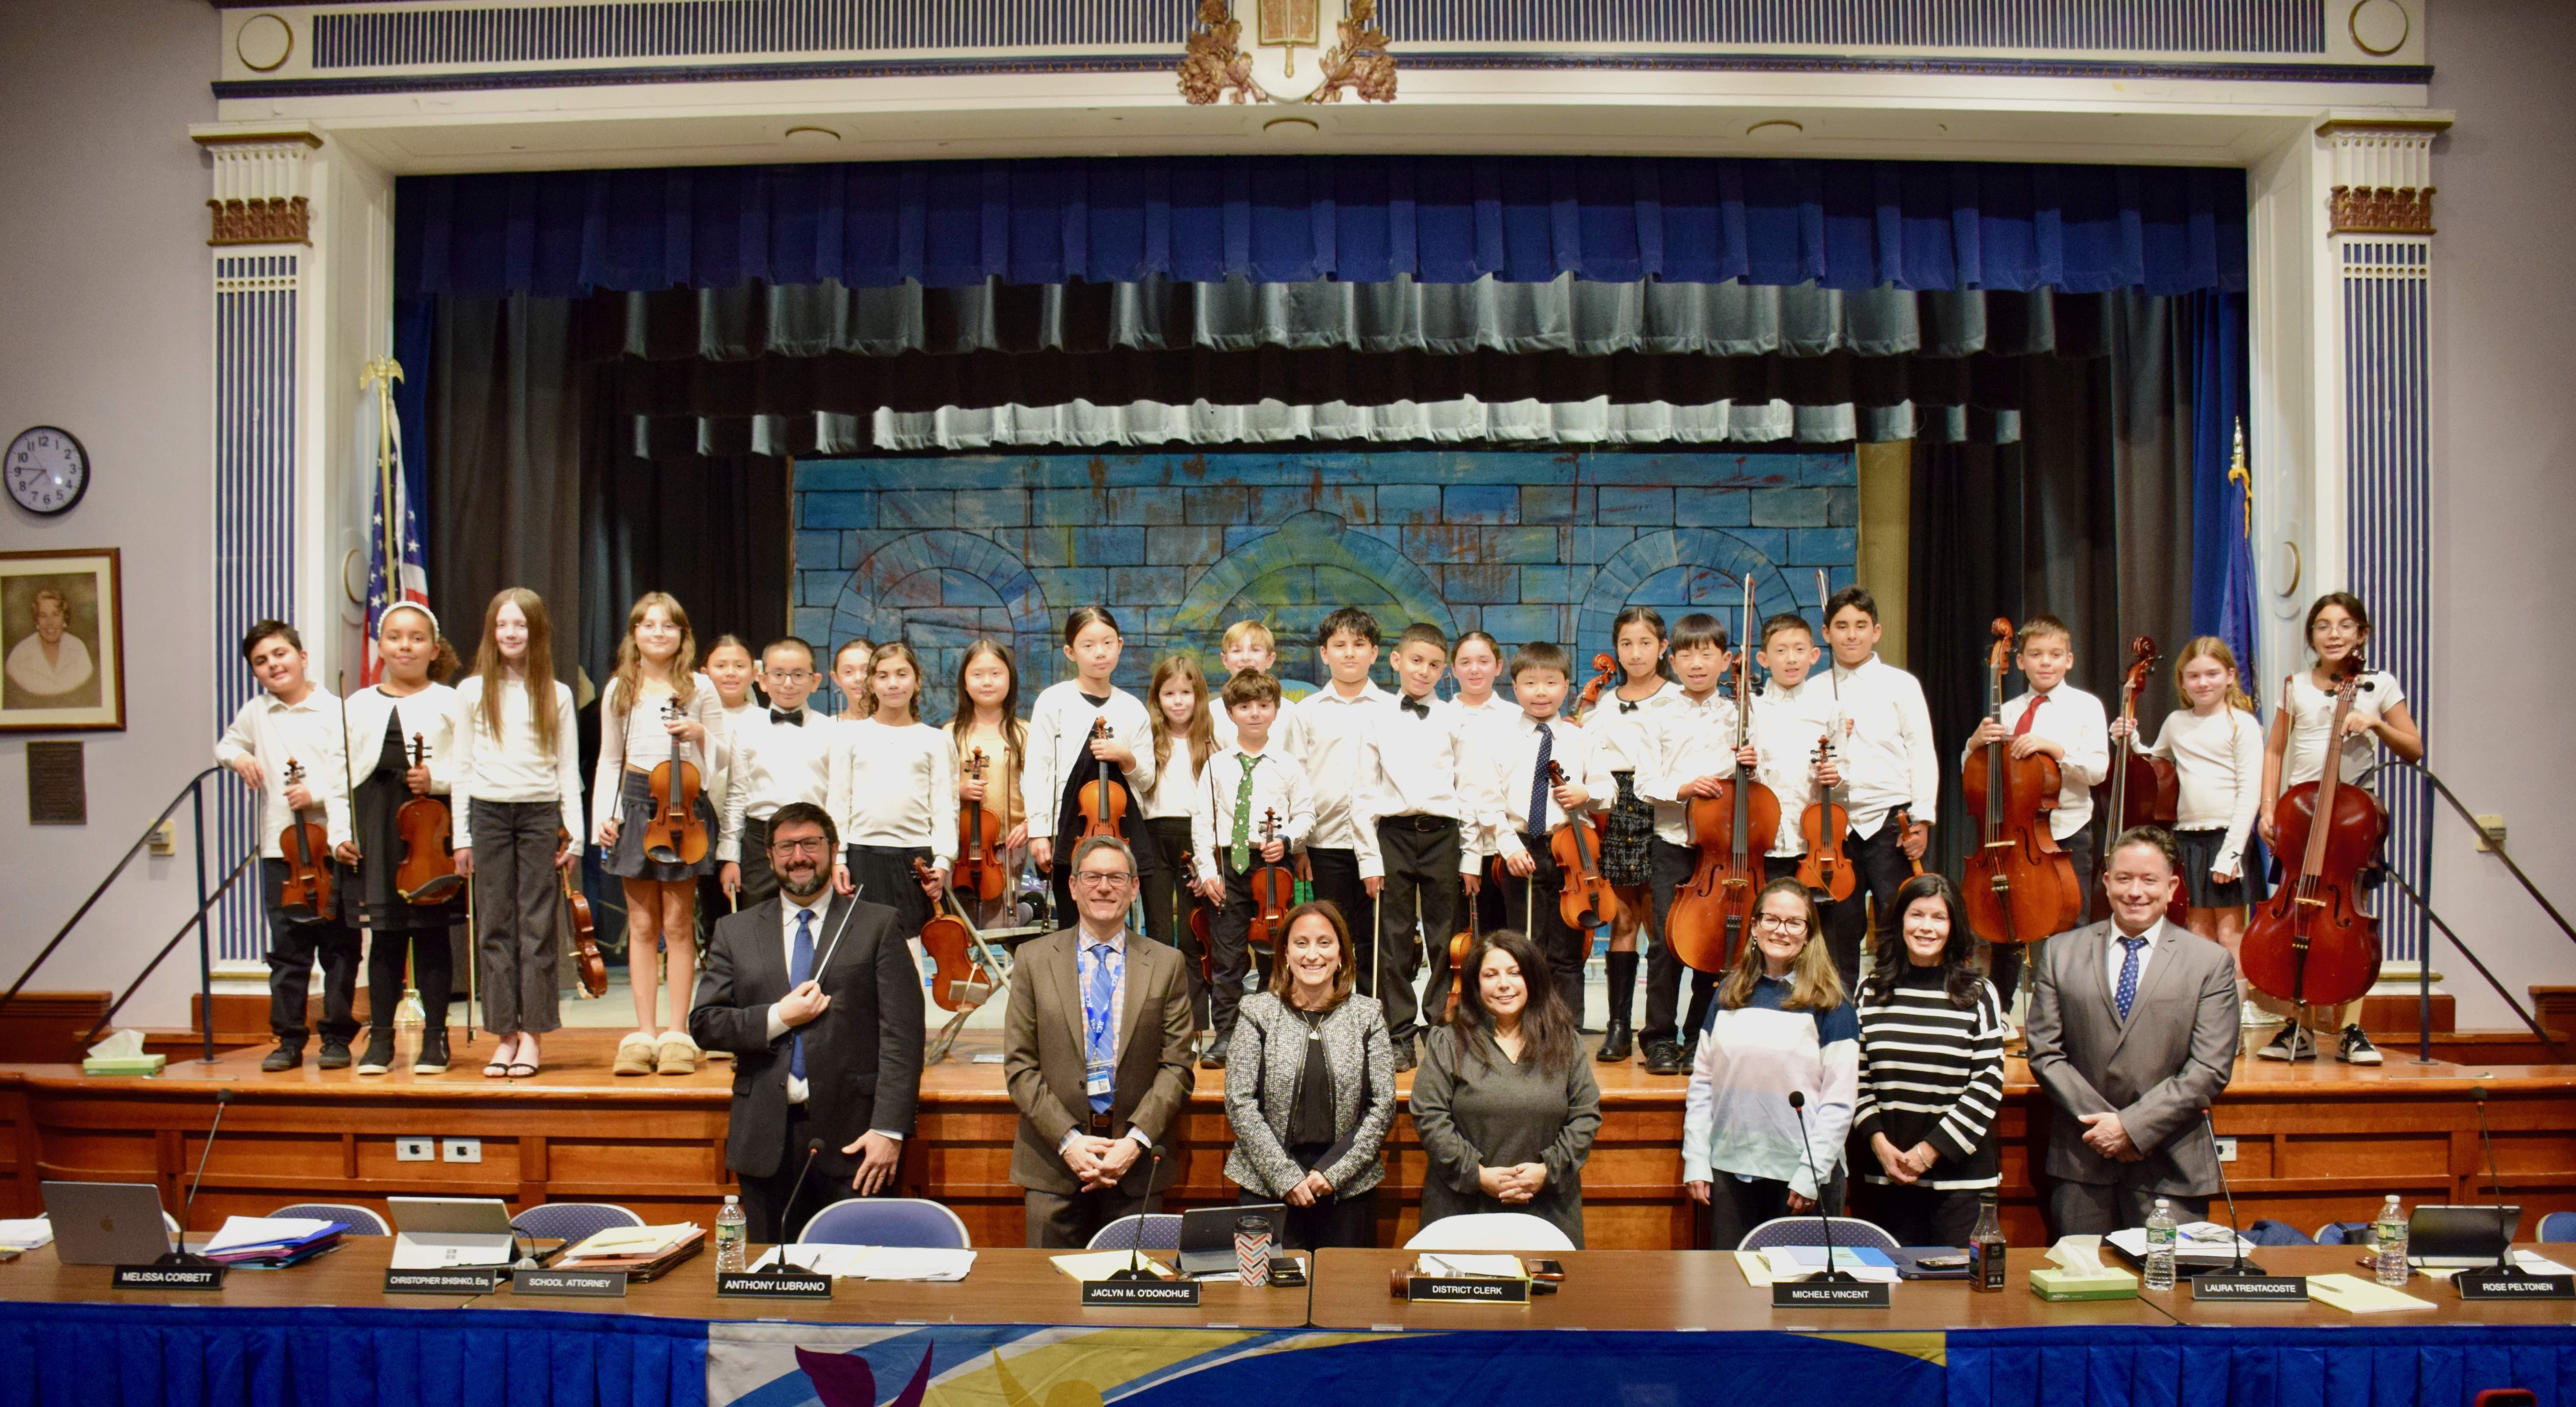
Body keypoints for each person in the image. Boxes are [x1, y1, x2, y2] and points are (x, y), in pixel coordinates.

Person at [689, 802, 923, 1242]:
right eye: (787, 846)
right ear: (770, 855)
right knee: (771, 1287)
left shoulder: (877, 924)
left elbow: (904, 1037)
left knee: (857, 1291)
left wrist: (889, 1130)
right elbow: (706, 1023)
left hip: (858, 1143)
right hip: (764, 1141)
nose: (799, 856)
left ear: (834, 850)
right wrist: (779, 1017)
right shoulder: (735, 931)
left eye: (811, 844)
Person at [2023, 826, 2240, 1235]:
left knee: (2168, 1292)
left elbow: (2210, 1067)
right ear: (2106, 882)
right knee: (2081, 1294)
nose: (2135, 891)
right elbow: (2045, 1054)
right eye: (2124, 878)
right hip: (2083, 1164)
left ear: (2173, 885)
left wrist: (2131, 1128)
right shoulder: (2060, 952)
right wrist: (2105, 1127)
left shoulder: (2210, 962)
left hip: (2172, 1166)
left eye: (2149, 880)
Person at [1002, 836, 1196, 1248]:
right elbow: (1020, 1066)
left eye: (1116, 877)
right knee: (1048, 1302)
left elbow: (1177, 1067)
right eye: (1092, 876)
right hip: (1052, 1167)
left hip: (1135, 1167)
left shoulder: (1167, 963)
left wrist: (1135, 1142)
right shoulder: (1033, 960)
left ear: (1135, 887)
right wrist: (1069, 1141)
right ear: (1072, 887)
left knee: (1132, 1307)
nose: (1104, 887)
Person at [2254, 593, 2423, 1064]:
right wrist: (2268, 810)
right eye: (2323, 626)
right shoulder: (2296, 685)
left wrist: (2374, 724)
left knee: (2348, 920)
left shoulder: (2380, 684)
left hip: (2353, 819)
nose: (2334, 634)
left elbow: (2414, 747)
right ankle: (2299, 1026)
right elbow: (2275, 750)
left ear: (2362, 634)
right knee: (2295, 919)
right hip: (2299, 815)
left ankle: (2350, 1029)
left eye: (2345, 625)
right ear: (2311, 635)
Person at [1682, 878, 1858, 1249]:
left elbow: (1840, 1102)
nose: (1781, 930)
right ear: (1754, 926)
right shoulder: (1729, 993)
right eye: (1771, 919)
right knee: (1732, 1299)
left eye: (1795, 922)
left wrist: (1812, 1174)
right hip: (1730, 1174)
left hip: (1802, 1180)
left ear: (1810, 934)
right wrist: (1697, 1158)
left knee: (1798, 1305)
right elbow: (1702, 1085)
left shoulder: (1831, 1002)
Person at [592, 592, 726, 1077]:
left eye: (668, 626)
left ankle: (678, 1032)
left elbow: (724, 755)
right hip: (633, 803)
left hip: (683, 804)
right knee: (643, 924)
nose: (657, 633)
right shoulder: (618, 690)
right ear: (635, 634)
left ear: (682, 635)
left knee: (678, 923)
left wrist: (699, 736)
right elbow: (609, 759)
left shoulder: (701, 687)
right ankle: (644, 1032)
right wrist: (602, 820)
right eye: (648, 625)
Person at [451, 588, 583, 1079]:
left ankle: (534, 1035)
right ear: (492, 631)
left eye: (521, 625)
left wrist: (576, 833)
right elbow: (461, 767)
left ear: (537, 631)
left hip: (539, 814)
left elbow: (569, 768)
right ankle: (504, 1034)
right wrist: (461, 836)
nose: (511, 633)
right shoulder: (471, 691)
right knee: (495, 927)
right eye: (503, 624)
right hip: (488, 814)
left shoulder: (557, 692)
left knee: (537, 926)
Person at [216, 620, 358, 1073]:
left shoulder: (337, 710)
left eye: (280, 654)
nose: (273, 665)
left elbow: (353, 774)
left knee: (339, 946)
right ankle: (289, 1039)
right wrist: (238, 757)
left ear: (301, 656)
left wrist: (314, 795)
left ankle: (336, 1037)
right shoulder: (256, 712)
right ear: (256, 672)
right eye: (261, 661)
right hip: (281, 851)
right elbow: (226, 744)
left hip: (332, 845)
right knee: (287, 948)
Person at [1222, 901, 1398, 1249]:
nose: (1312, 954)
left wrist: (1333, 1174)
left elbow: (1383, 1106)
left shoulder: (1368, 1015)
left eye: (1324, 942)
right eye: (1301, 943)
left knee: (1344, 1302)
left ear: (1342, 955)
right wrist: (1285, 1177)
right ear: (1285, 953)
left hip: (1349, 1193)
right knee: (1269, 1304)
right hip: (1266, 1189)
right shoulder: (1257, 1012)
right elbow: (1239, 1102)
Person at [1409, 929, 1602, 1246]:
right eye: (1491, 974)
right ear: (1475, 983)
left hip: (1547, 1210)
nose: (1504, 984)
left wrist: (1547, 1171)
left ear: (1533, 979)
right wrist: (1476, 1174)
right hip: (1462, 1210)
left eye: (1515, 972)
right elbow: (1429, 1115)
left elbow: (1586, 1115)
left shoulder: (1566, 1041)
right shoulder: (1448, 1041)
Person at [1849, 873, 2008, 1247]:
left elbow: (1987, 1084)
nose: (1926, 927)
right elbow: (1857, 1077)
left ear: (1954, 927)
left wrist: (1929, 1151)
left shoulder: (1978, 993)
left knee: (1954, 1300)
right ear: (1899, 921)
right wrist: (1879, 1145)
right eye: (1917, 914)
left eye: (1939, 917)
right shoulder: (1870, 991)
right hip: (1885, 1174)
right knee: (1890, 1295)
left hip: (1960, 1182)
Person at [340, 602, 465, 1077]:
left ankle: (436, 1039)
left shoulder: (452, 701)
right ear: (381, 646)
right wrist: (340, 833)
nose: (405, 646)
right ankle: (382, 1041)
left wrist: (436, 778)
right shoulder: (358, 704)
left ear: (434, 649)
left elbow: (470, 768)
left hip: (431, 827)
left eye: (416, 638)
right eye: (394, 637)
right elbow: (339, 774)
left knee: (430, 933)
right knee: (386, 937)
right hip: (375, 822)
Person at [1960, 614, 2109, 1003]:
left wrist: (2054, 749)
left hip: (2067, 831)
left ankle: (2068, 1011)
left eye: (2055, 654)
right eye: (2037, 654)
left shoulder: (2086, 707)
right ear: (2021, 661)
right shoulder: (2006, 710)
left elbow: (2097, 771)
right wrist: (1975, 743)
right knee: (2009, 922)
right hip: (2013, 835)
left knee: (2070, 925)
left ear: (2070, 660)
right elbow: (1975, 774)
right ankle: (2002, 1011)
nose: (2046, 662)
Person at [1354, 622, 1482, 1071]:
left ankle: (1443, 1027)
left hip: (1444, 835)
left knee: (1446, 939)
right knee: (1392, 939)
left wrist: (1473, 857)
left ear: (1443, 670)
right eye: (1415, 661)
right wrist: (1369, 859)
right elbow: (1363, 793)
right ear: (1396, 660)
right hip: (1392, 834)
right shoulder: (1375, 717)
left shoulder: (1456, 718)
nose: (1423, 671)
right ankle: (1399, 1034)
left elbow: (1470, 790)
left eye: (1433, 665)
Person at [2113, 636, 2267, 1006]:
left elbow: (2250, 792)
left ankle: (2236, 1017)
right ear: (2182, 682)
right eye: (2193, 676)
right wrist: (2130, 738)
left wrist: (2232, 852)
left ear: (2230, 676)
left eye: (2212, 674)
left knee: (2230, 933)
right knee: (2197, 932)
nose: (2203, 683)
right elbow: (2155, 764)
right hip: (2188, 838)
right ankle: (2204, 1014)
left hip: (2227, 839)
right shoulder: (2177, 722)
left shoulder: (2242, 725)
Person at [1470, 642, 1603, 1024]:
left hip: (1570, 848)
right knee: (1525, 948)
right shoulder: (1499, 737)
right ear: (1514, 686)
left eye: (1550, 682)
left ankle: (1567, 1030)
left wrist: (1586, 793)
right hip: (1521, 846)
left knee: (1567, 949)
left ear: (1566, 686)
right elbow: (1488, 801)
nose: (1540, 692)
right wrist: (1509, 847)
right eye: (1530, 683)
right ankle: (1523, 1028)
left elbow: (1607, 791)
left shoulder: (1581, 739)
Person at [1634, 611, 1741, 1073]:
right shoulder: (1654, 714)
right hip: (1673, 840)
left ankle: (1700, 1034)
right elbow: (1644, 783)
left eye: (1707, 653)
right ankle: (1658, 1036)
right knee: (1666, 943)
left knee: (1715, 945)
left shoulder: (1740, 714)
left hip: (1721, 847)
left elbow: (1760, 786)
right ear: (1672, 659)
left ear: (1725, 659)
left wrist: (1749, 765)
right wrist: (1685, 787)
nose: (1697, 663)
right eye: (1687, 654)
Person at [1818, 587, 1938, 995]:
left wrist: (1922, 817)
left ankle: (1900, 1000)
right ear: (1827, 633)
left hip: (1892, 819)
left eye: (1861, 626)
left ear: (1877, 631)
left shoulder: (1901, 685)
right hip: (1835, 824)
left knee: (1897, 918)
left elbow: (1923, 750)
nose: (1851, 635)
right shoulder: (1816, 688)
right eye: (1841, 627)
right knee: (1840, 925)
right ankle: (1841, 1012)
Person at [1191, 668, 1314, 1061]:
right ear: (1230, 712)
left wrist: (1286, 840)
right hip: (1229, 865)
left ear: (1276, 711)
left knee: (1273, 955)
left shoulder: (1288, 765)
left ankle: (1271, 1032)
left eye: (1263, 705)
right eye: (1245, 706)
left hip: (1272, 867)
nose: (1255, 713)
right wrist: (1208, 872)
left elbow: (1307, 815)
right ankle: (1226, 1035)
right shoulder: (1216, 765)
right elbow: (1203, 824)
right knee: (1228, 959)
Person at [1577, 606, 1677, 1061]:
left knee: (1663, 923)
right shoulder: (1601, 702)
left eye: (1645, 643)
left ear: (1663, 648)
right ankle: (1618, 1026)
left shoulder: (1678, 699)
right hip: (1614, 806)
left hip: (1664, 805)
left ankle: (1661, 1031)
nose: (1635, 653)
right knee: (1622, 919)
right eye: (1626, 644)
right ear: (1615, 649)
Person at [1022, 608, 1159, 929]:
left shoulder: (1132, 708)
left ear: (1121, 645)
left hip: (1121, 831)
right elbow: (1038, 770)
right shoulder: (1053, 700)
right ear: (1070, 652)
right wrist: (1040, 832)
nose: (1100, 652)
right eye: (1088, 645)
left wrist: (1125, 756)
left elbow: (1146, 778)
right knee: (1071, 921)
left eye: (1108, 643)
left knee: (1117, 918)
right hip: (1068, 827)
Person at [1292, 608, 1392, 1020]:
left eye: (1359, 645)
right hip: (1325, 843)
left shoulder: (1392, 708)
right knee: (1333, 935)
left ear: (1374, 653)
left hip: (1381, 843)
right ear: (1324, 653)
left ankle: (1375, 1021)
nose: (1349, 653)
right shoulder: (1307, 711)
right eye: (1340, 646)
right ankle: (1333, 1016)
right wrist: (1299, 847)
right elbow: (1295, 778)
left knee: (1378, 937)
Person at [826, 642, 955, 945]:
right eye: (883, 676)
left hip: (915, 859)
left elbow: (945, 805)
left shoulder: (935, 740)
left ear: (917, 680)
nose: (893, 683)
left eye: (902, 674)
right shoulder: (849, 735)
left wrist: (944, 860)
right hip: (863, 855)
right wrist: (838, 857)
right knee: (860, 947)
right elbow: (838, 800)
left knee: (909, 949)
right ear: (871, 683)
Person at [718, 637, 831, 912]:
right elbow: (737, 795)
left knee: (814, 918)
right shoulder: (746, 728)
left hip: (815, 837)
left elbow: (838, 796)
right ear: (762, 680)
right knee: (758, 921)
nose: (788, 684)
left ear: (815, 681)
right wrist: (730, 857)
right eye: (778, 675)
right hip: (760, 839)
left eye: (798, 675)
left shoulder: (832, 730)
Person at [1139, 653, 1217, 1039]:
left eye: (1186, 692)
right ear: (1158, 698)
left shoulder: (1211, 740)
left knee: (1192, 934)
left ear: (1198, 695)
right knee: (1155, 930)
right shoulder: (1149, 739)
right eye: (1170, 693)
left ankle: (1196, 1022)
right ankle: (1156, 1024)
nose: (1179, 701)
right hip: (1154, 838)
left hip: (1194, 839)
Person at [947, 639, 1029, 929]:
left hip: (1010, 842)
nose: (987, 682)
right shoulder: (951, 734)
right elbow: (935, 790)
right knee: (963, 921)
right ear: (965, 682)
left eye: (996, 673)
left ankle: (1023, 912)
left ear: (1010, 679)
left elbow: (1041, 788)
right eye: (978, 674)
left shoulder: (1023, 733)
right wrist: (960, 791)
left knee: (1000, 922)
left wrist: (1030, 824)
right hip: (963, 845)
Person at [1447, 630, 1513, 942]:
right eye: (1466, 662)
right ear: (1454, 669)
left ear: (1498, 666)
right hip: (1454, 845)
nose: (1475, 669)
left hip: (1506, 847)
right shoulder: (1441, 717)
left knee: (1506, 938)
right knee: (1464, 945)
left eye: (1484, 661)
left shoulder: (1518, 718)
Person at [697, 634, 760, 927]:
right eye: (721, 665)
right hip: (702, 830)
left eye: (739, 665)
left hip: (751, 836)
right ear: (704, 673)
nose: (731, 672)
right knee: (715, 920)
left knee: (751, 918)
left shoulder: (764, 719)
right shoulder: (692, 719)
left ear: (755, 672)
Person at [6, 587, 94, 701]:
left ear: (64, 619)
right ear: (37, 621)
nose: (50, 622)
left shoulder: (79, 649)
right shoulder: (19, 656)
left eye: (56, 614)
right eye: (43, 616)